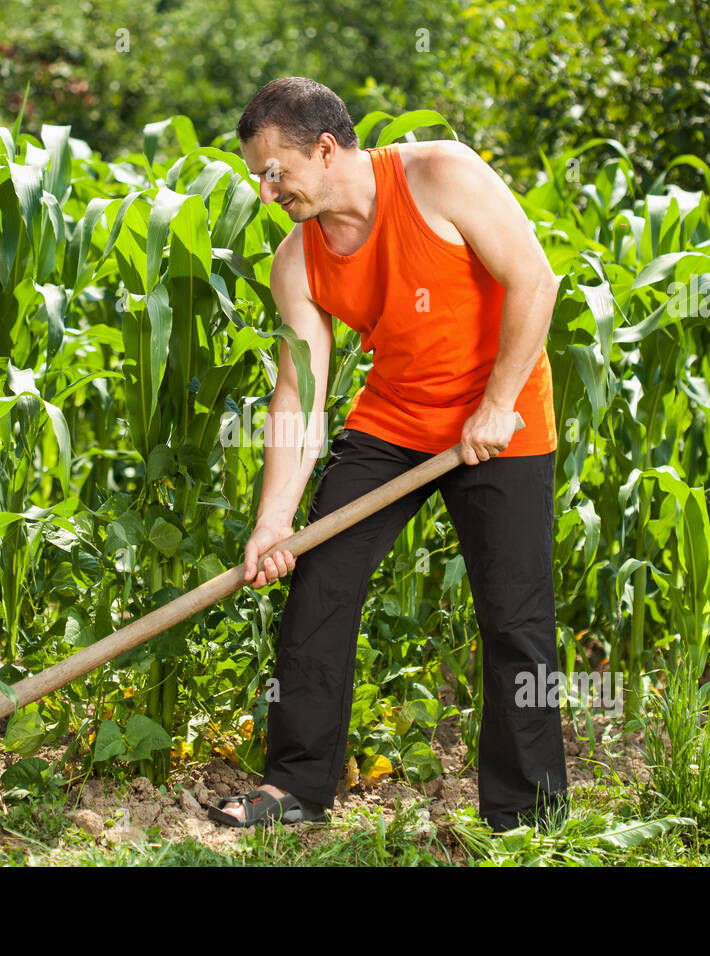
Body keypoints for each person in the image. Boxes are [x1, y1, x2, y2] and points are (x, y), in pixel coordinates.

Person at [207, 77, 568, 832]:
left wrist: (497, 405)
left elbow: (536, 280)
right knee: (319, 582)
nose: (267, 193)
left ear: (328, 148)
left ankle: (528, 817)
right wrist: (274, 521)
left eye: (275, 173)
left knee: (515, 618)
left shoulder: (442, 175)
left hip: (500, 417)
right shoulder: (297, 262)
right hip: (395, 420)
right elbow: (298, 399)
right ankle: (296, 787)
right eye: (257, 177)